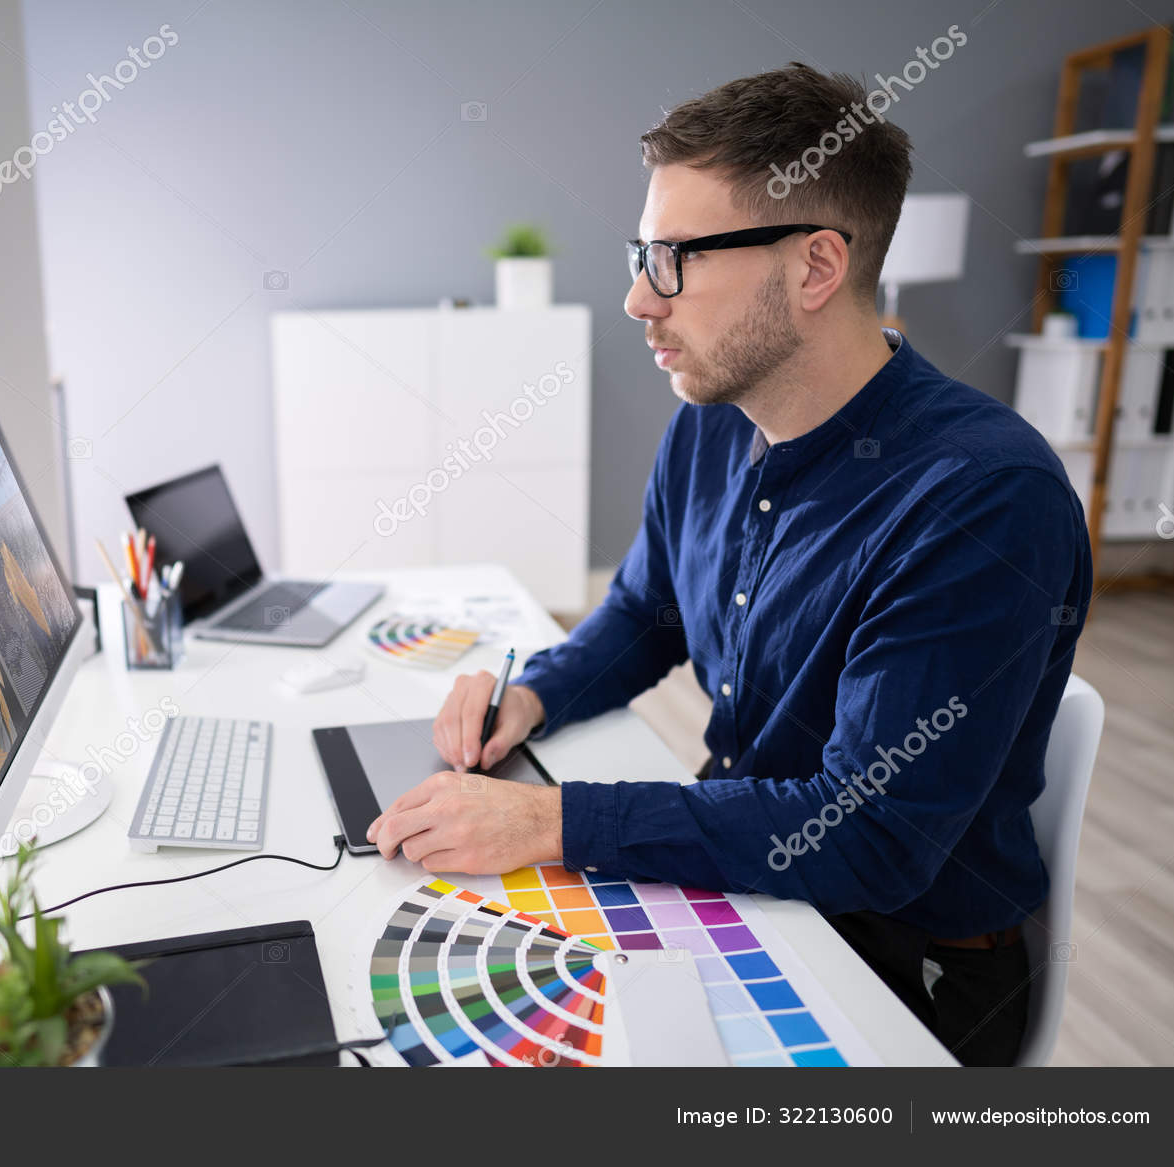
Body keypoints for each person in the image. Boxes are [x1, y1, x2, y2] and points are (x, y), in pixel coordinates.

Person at [365, 63, 1091, 1066]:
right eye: (640, 254)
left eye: (672, 260)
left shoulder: (980, 498)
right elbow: (643, 611)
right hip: (748, 871)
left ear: (814, 268)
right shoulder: (711, 423)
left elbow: (871, 836)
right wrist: (529, 698)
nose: (634, 299)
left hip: (902, 967)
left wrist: (552, 819)